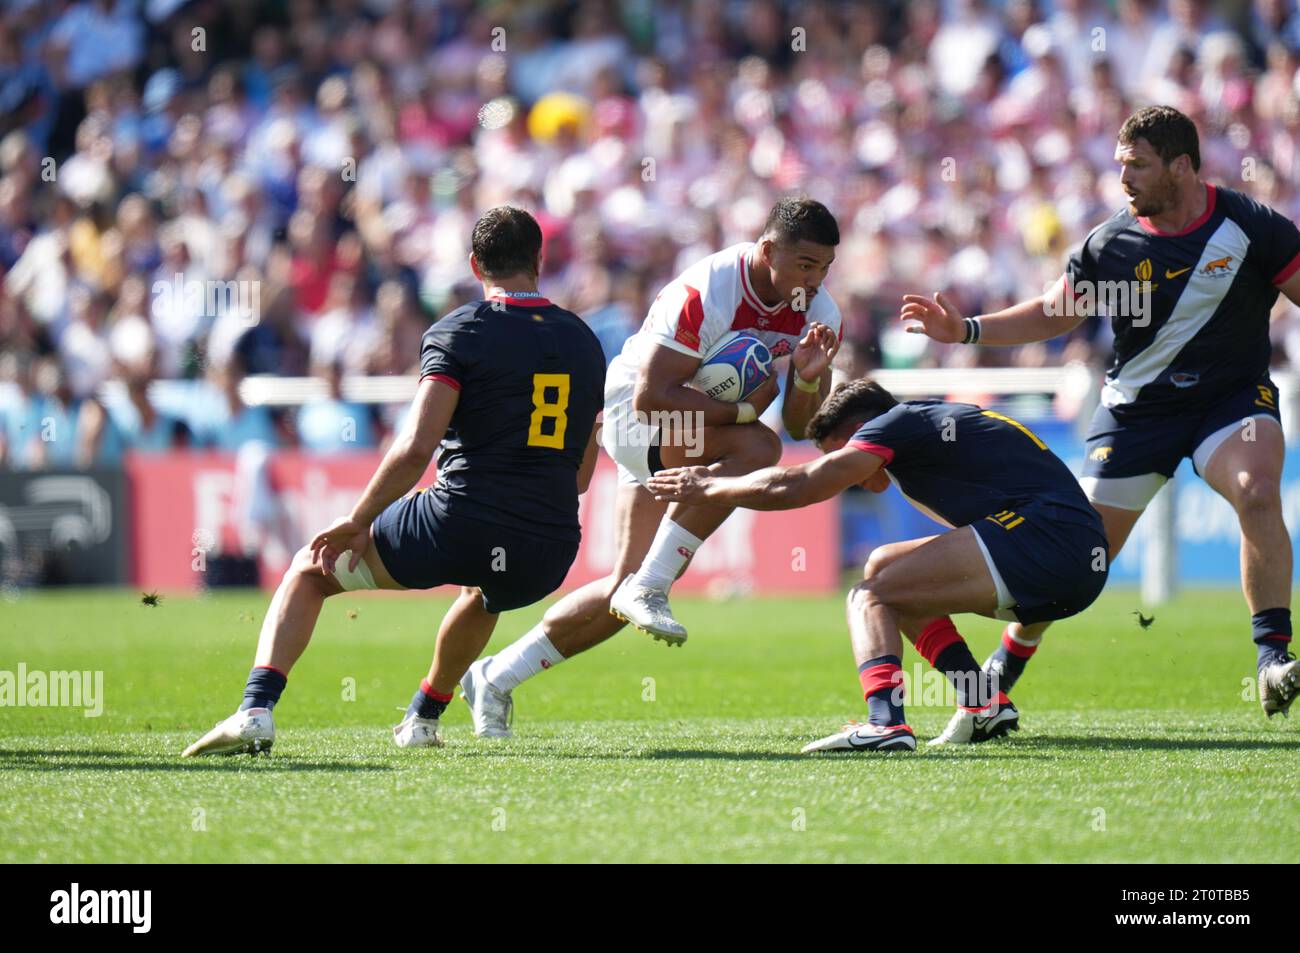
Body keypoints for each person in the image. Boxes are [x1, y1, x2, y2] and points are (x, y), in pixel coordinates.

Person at [901, 105, 1300, 721]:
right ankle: (1003, 672)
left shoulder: (1254, 228)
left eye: (1138, 165)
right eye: (1121, 165)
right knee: (1074, 558)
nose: (1124, 178)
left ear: (1183, 167)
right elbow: (1055, 312)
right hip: (1138, 414)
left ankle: (1272, 658)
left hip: (1230, 401)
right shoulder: (1112, 243)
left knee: (1255, 489)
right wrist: (968, 329)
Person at [182, 206, 606, 755]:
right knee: (485, 592)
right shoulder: (585, 342)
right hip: (547, 551)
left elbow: (414, 449)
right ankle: (424, 717)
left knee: (312, 571)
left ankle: (255, 710)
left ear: (475, 263)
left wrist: (355, 521)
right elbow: (580, 478)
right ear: (540, 260)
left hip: (460, 521)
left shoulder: (460, 330)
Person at [458, 197, 842, 738]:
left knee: (620, 588)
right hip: (631, 416)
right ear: (767, 250)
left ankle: (494, 677)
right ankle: (654, 586)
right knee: (758, 450)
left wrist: (805, 379)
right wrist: (746, 409)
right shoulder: (709, 290)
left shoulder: (821, 314)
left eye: (826, 267)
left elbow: (803, 426)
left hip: (686, 427)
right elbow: (651, 399)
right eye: (805, 264)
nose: (815, 280)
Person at [647, 378, 1110, 751]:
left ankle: (885, 723)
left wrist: (706, 487)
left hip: (1046, 541)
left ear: (860, 432)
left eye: (841, 453)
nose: (847, 475)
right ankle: (981, 699)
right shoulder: (929, 428)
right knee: (883, 566)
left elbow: (800, 485)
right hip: (1068, 558)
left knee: (870, 595)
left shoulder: (896, 422)